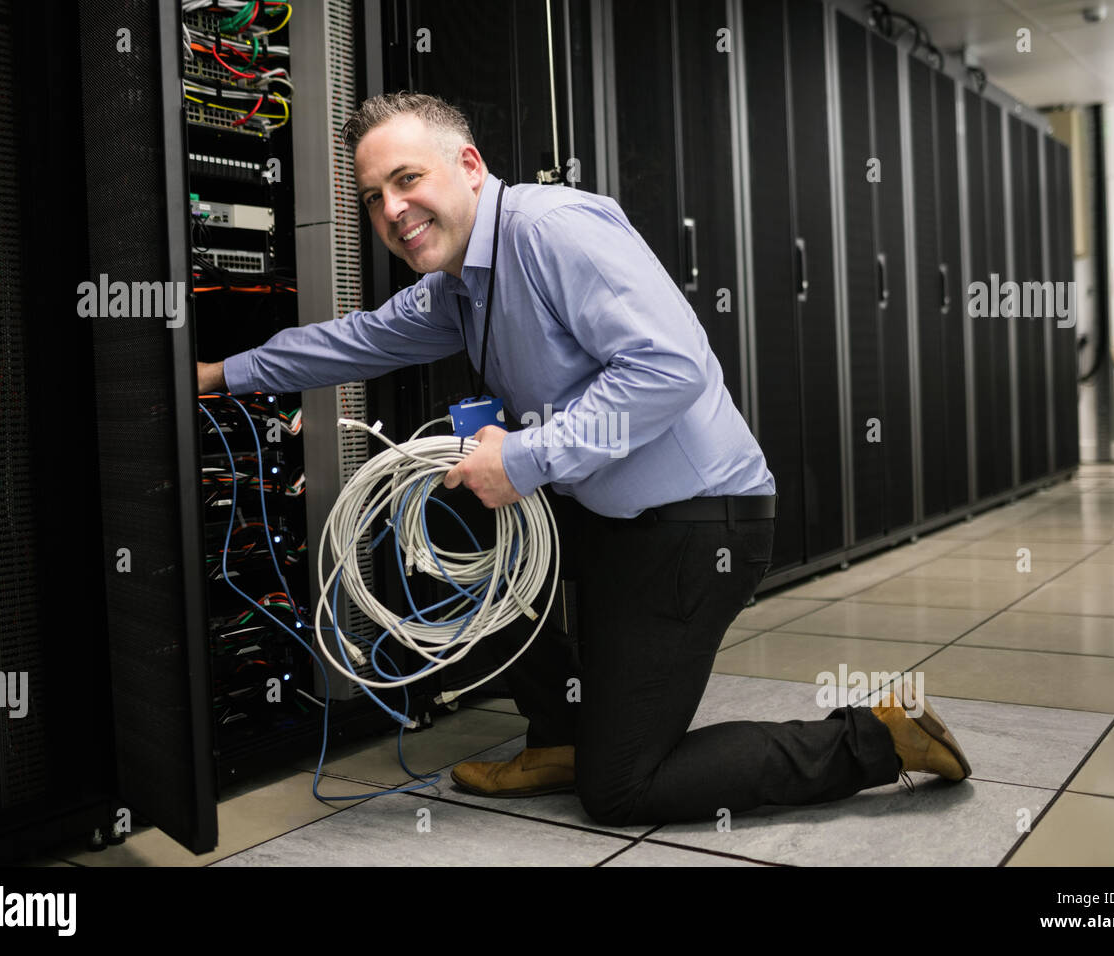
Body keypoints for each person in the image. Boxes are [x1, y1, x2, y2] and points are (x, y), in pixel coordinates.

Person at [197, 91, 971, 827]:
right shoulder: (459, 286)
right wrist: (216, 377)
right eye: (373, 197)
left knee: (626, 787)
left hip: (700, 529)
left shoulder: (553, 229)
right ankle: (562, 736)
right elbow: (357, 341)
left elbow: (670, 368)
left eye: (407, 180)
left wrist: (526, 457)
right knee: (438, 536)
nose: (392, 211)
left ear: (468, 166)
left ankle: (876, 736)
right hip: (610, 519)